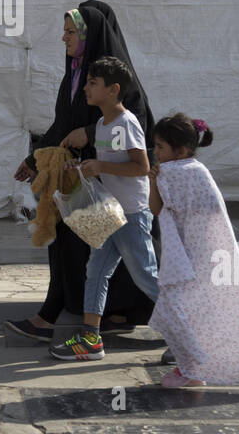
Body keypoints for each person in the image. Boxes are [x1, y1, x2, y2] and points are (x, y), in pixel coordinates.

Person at [7, 0, 157, 342]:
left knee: (128, 268)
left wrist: (89, 135)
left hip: (111, 190)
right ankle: (83, 326)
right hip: (79, 181)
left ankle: (183, 323)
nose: (63, 38)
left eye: (70, 32)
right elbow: (63, 122)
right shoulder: (76, 75)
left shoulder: (116, 82)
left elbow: (132, 130)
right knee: (89, 259)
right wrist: (34, 160)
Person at [148, 113, 239, 388]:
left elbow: (156, 208)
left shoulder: (175, 173)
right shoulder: (198, 170)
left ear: (181, 150)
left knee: (176, 307)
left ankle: (193, 368)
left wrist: (153, 180)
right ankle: (192, 366)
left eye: (161, 147)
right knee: (192, 309)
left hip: (190, 257)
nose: (156, 153)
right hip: (206, 254)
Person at [50, 57, 160, 361]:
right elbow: (109, 169)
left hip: (132, 215)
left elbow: (141, 167)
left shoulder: (126, 124)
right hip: (109, 213)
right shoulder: (101, 123)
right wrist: (84, 169)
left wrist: (100, 164)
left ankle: (191, 329)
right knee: (96, 272)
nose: (86, 88)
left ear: (113, 90)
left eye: (92, 83)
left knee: (146, 278)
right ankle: (91, 339)